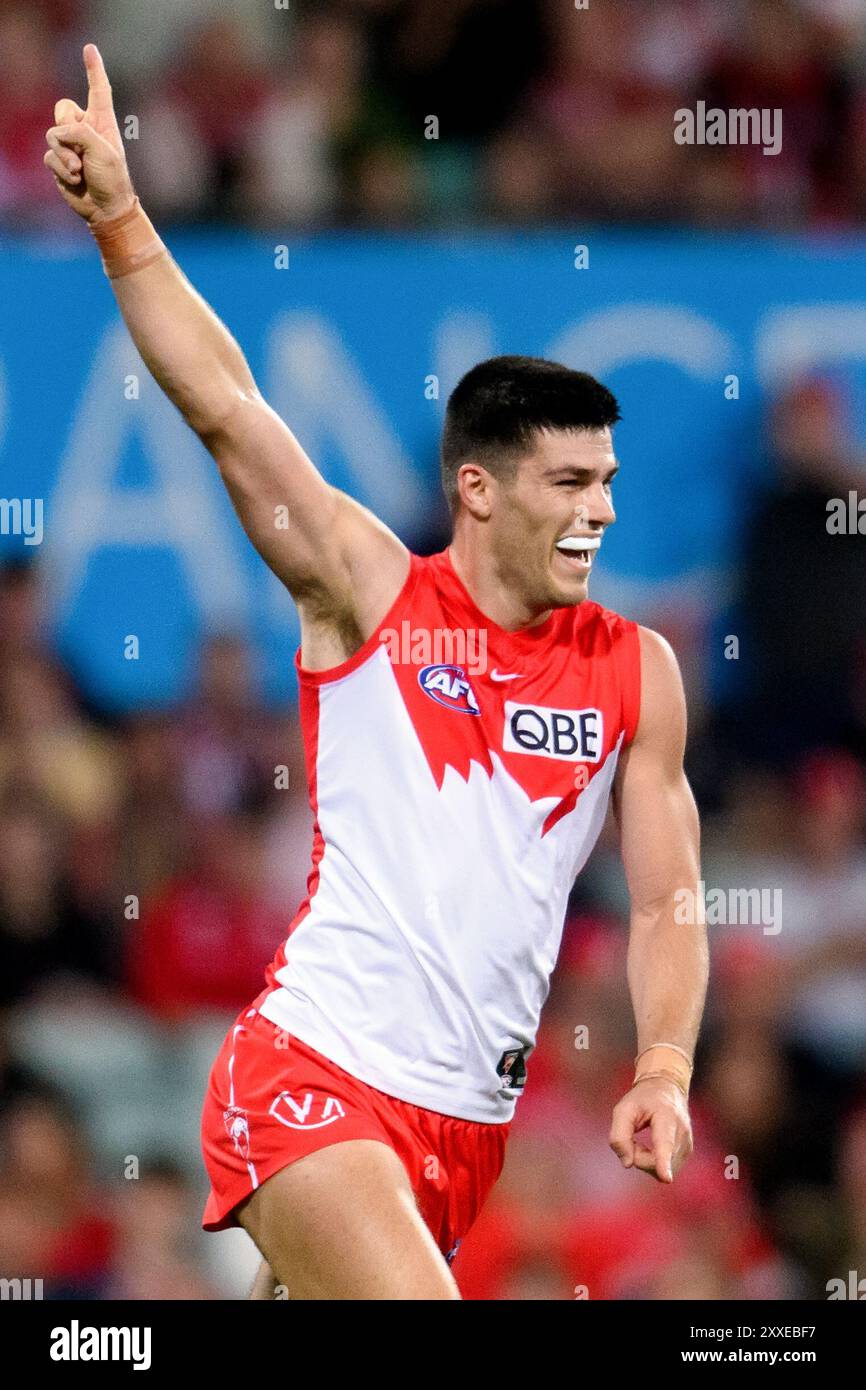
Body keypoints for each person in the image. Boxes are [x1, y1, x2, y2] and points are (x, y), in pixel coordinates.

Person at [44, 45, 707, 1301]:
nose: (598, 513)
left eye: (607, 484)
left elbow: (673, 901)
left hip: (462, 1134)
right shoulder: (368, 591)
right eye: (568, 484)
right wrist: (124, 220)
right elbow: (232, 413)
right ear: (476, 487)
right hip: (312, 1072)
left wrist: (663, 1066)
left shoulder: (638, 672)